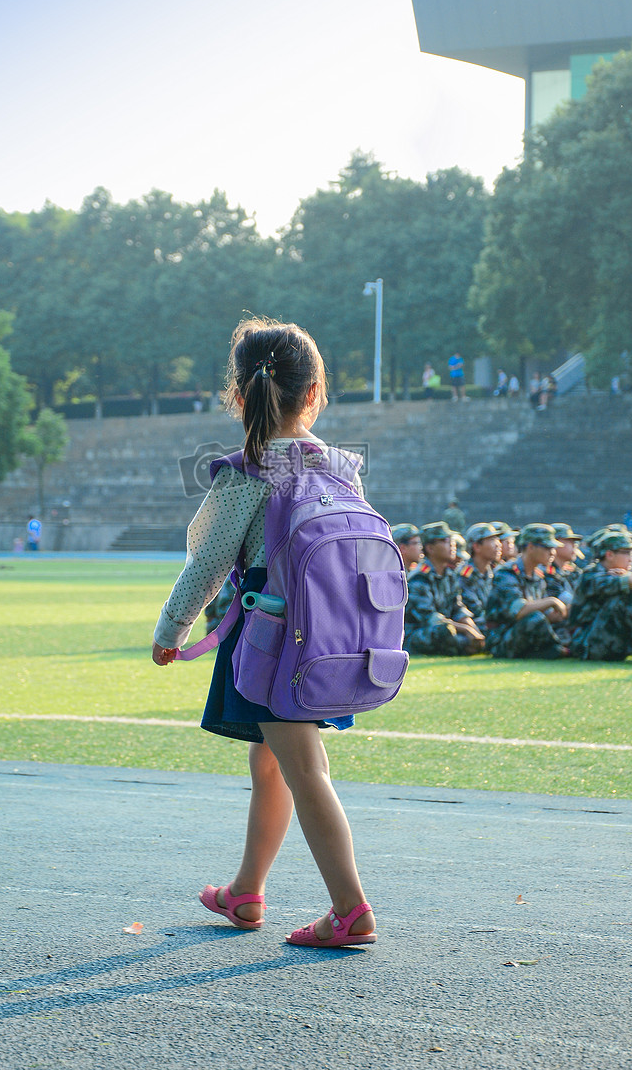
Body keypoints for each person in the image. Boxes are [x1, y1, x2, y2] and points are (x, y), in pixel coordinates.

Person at [152, 318, 377, 948]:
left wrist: (172, 630)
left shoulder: (245, 473)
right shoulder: (339, 466)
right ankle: (246, 891)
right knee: (273, 761)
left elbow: (208, 562)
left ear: (240, 395)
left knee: (305, 768)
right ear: (314, 392)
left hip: (267, 643)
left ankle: (350, 910)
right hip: (328, 640)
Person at [568, 531, 632, 662]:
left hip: (609, 640)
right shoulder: (591, 575)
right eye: (627, 553)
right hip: (588, 645)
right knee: (628, 591)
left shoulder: (620, 574)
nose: (631, 558)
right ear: (610, 555)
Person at [484, 524, 569, 659]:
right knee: (535, 618)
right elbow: (518, 611)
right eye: (547, 547)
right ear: (530, 547)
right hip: (502, 639)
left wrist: (565, 613)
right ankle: (559, 649)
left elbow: (546, 615)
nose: (553, 552)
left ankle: (558, 649)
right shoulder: (506, 573)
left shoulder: (538, 576)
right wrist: (552, 601)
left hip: (525, 634)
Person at [403, 522, 484, 655]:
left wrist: (475, 630)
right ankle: (466, 645)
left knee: (481, 625)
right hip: (420, 633)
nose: (452, 544)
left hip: (448, 627)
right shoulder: (419, 578)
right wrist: (466, 630)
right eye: (445, 540)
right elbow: (430, 618)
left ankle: (469, 645)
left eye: (451, 540)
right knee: (443, 631)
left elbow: (457, 608)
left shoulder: (450, 575)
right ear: (430, 548)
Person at [457, 523, 501, 632]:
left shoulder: (495, 572)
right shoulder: (465, 575)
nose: (498, 544)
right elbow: (475, 610)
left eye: (497, 539)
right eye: (491, 540)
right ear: (476, 547)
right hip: (476, 624)